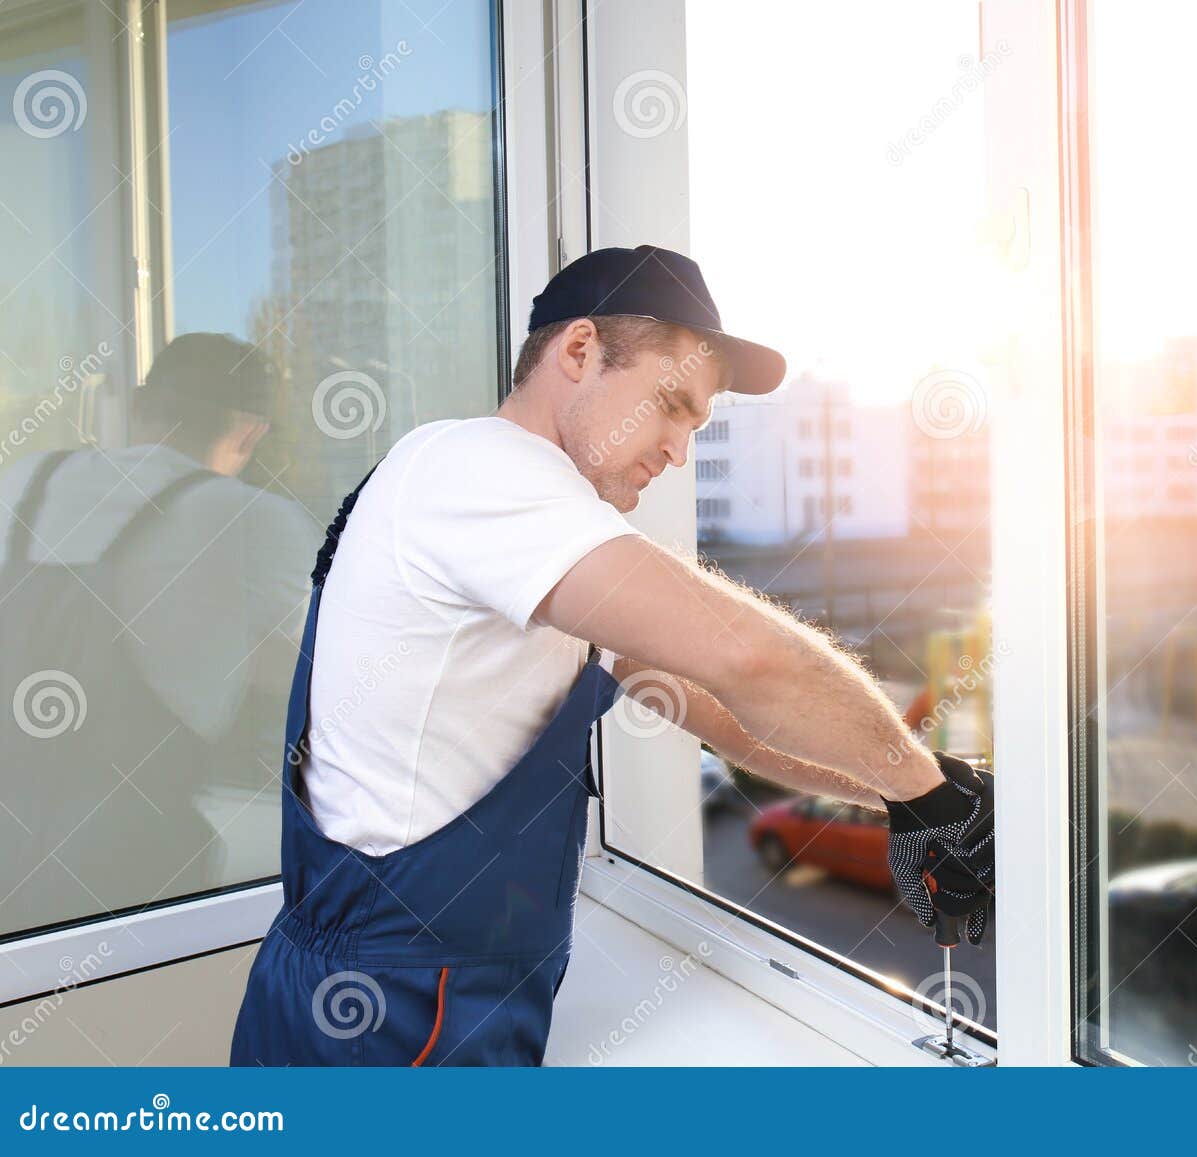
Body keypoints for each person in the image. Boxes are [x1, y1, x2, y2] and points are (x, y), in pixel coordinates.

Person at [229, 244, 995, 1066]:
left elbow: (736, 721)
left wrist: (914, 795)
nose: (676, 450)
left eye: (696, 426)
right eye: (670, 404)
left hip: (419, 999)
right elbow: (751, 658)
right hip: (392, 1023)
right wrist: (927, 792)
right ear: (580, 351)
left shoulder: (528, 546)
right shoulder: (481, 470)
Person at [0, 333, 319, 934]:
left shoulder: (23, 481)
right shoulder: (249, 519)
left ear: (140, 407)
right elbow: (316, 676)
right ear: (250, 432)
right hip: (128, 870)